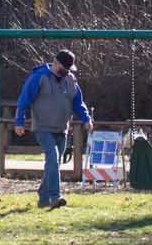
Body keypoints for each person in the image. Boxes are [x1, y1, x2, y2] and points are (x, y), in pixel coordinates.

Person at [14, 49, 91, 210]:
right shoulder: (39, 77)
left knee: (54, 163)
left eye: (69, 69)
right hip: (43, 128)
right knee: (53, 158)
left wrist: (86, 119)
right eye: (64, 68)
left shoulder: (70, 79)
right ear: (56, 63)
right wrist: (19, 122)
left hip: (62, 128)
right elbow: (23, 99)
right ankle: (55, 197)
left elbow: (78, 102)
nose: (67, 72)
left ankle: (43, 198)